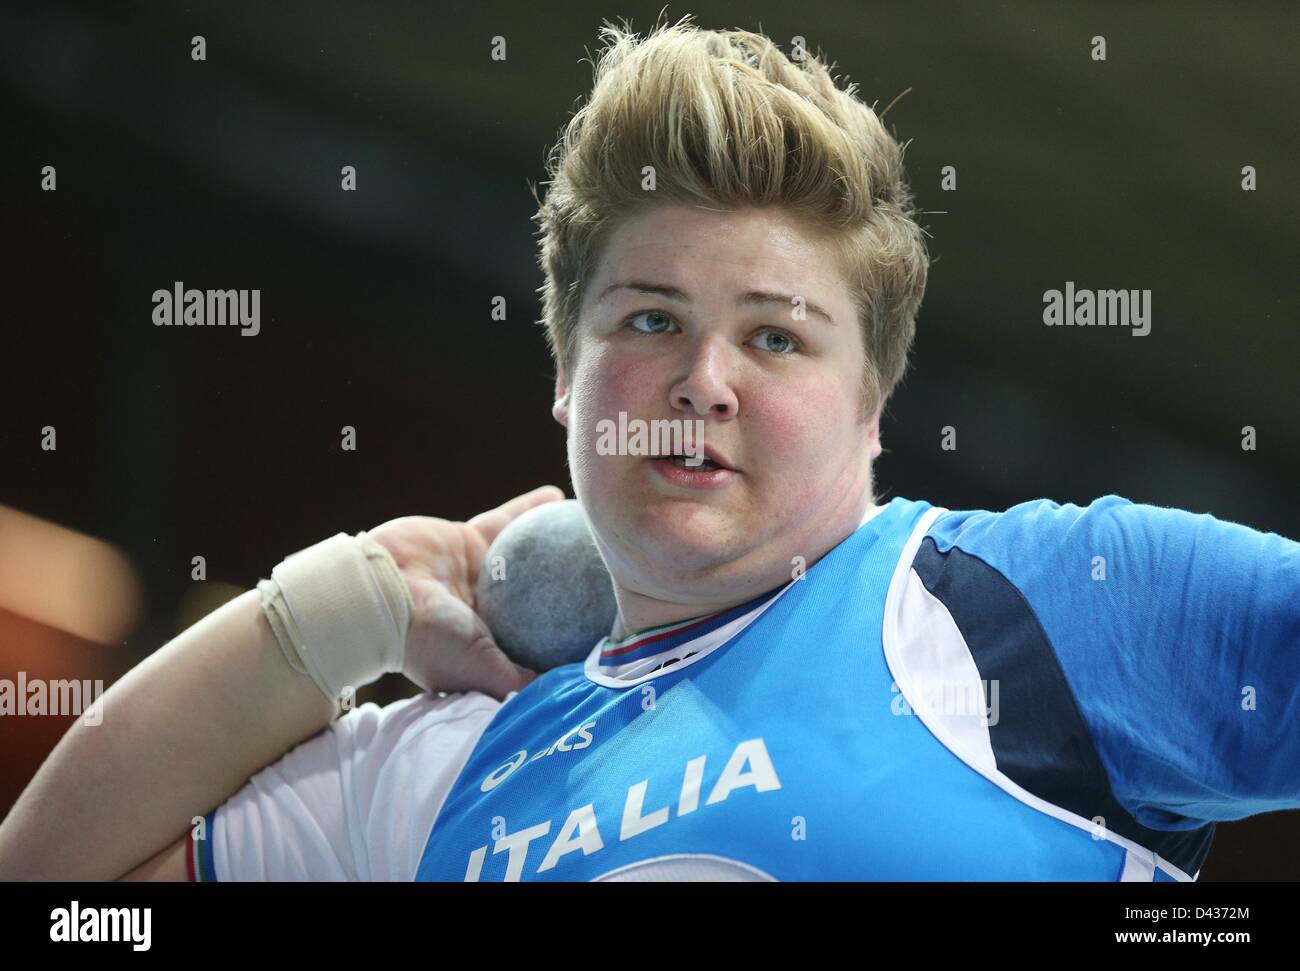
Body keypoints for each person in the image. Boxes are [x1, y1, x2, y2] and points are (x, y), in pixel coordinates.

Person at [2, 15, 1297, 883]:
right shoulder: (440, 769)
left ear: (874, 403)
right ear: (566, 380)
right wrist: (349, 608)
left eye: (779, 340)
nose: (701, 382)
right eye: (652, 321)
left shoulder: (1044, 607)